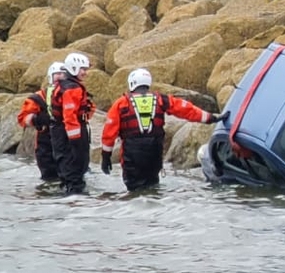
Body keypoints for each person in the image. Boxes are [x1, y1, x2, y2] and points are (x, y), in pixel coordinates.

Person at [101, 68, 221, 192]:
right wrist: (210, 118)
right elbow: (186, 109)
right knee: (153, 185)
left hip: (132, 155)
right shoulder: (161, 100)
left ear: (132, 83)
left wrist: (106, 157)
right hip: (155, 153)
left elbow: (109, 132)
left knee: (134, 189)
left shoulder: (122, 103)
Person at [49, 51, 94, 195]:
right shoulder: (72, 89)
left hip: (60, 131)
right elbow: (70, 115)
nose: (85, 73)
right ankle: (76, 200)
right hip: (68, 133)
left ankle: (68, 195)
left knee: (67, 169)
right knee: (75, 169)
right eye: (83, 69)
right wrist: (76, 140)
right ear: (74, 68)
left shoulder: (65, 85)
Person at [17, 63, 64, 184]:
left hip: (69, 143)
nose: (60, 76)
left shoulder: (74, 94)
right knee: (49, 178)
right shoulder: (39, 97)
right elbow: (23, 118)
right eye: (57, 74)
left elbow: (88, 112)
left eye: (63, 74)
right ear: (50, 77)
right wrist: (37, 119)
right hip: (46, 143)